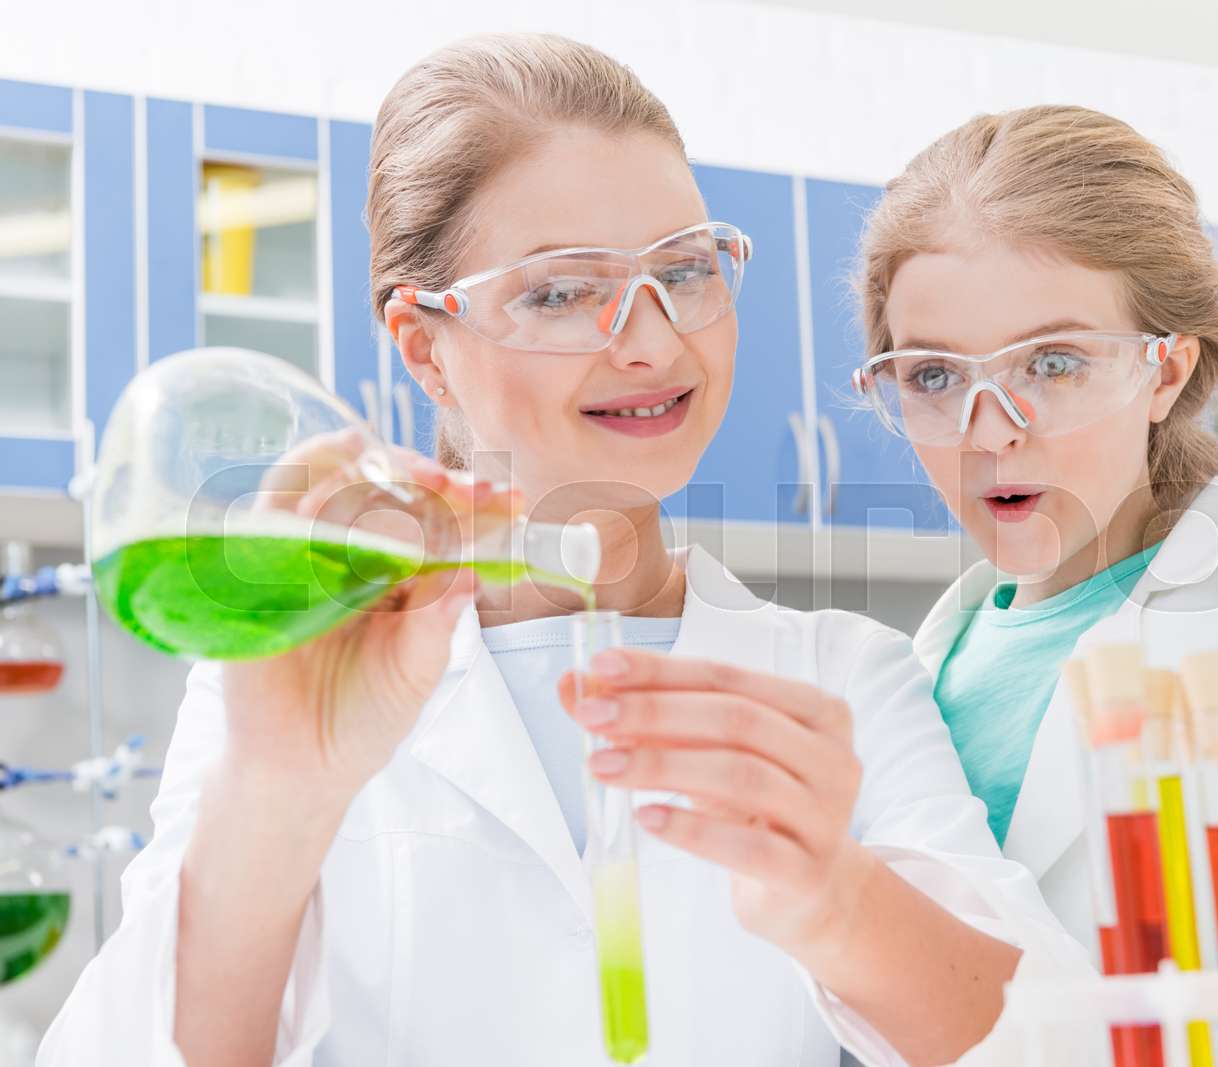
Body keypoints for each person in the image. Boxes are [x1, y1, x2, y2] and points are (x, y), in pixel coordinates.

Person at [40, 36, 1081, 1067]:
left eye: (683, 269)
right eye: (558, 291)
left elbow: (1062, 1046)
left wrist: (834, 896)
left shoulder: (841, 672)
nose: (653, 340)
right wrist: (277, 798)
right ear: (422, 345)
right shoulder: (275, 686)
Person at [849, 104, 1218, 955]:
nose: (990, 432)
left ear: (1167, 370)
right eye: (935, 373)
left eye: (1052, 363)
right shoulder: (926, 668)